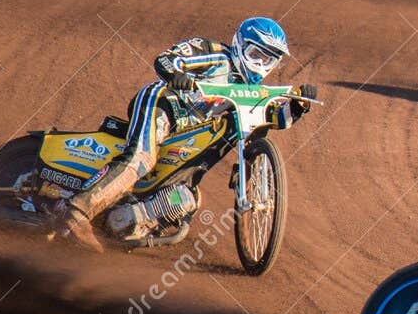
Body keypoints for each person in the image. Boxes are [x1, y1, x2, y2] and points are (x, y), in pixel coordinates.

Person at [59, 16, 311, 250]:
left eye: (269, 60)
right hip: (164, 104)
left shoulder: (252, 91)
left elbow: (270, 119)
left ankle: (121, 226)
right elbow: (167, 59)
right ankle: (77, 213)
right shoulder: (215, 54)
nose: (260, 65)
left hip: (188, 130)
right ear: (240, 45)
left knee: (187, 196)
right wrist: (177, 76)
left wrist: (299, 105)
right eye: (255, 54)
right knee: (141, 159)